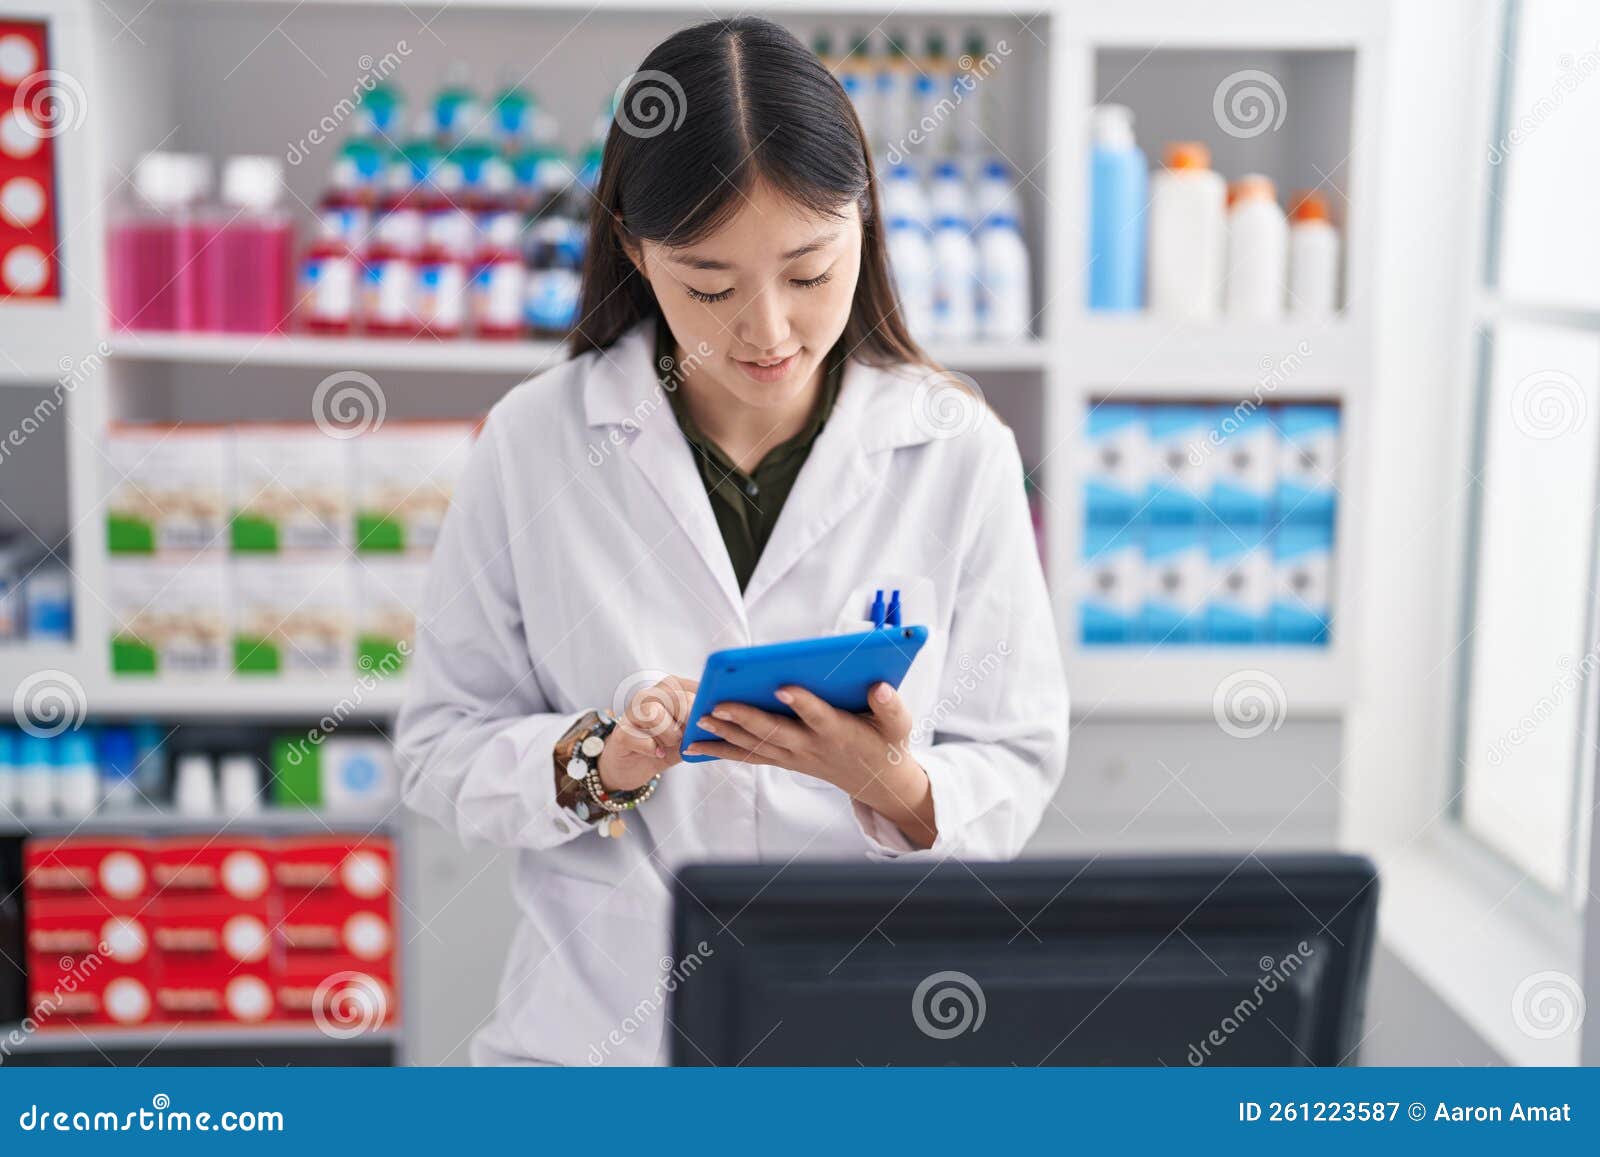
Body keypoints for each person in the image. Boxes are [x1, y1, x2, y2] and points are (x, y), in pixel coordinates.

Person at [394, 16, 1068, 1066]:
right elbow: (441, 742)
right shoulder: (535, 440)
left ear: (863, 221)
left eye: (808, 273)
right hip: (598, 1049)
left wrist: (890, 783)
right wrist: (601, 758)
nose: (767, 331)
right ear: (633, 248)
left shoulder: (956, 447)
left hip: (860, 1041)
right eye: (710, 287)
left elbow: (1017, 755)